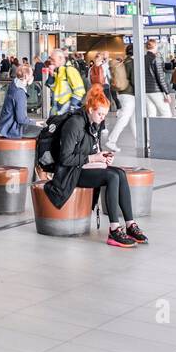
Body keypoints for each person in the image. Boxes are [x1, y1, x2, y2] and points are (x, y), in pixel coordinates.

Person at [44, 85, 148, 248]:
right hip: (70, 173)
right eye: (100, 113)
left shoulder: (94, 123)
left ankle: (130, 224)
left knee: (120, 173)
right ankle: (114, 229)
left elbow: (93, 149)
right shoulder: (74, 124)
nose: (102, 118)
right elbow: (65, 158)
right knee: (112, 177)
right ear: (90, 109)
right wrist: (93, 158)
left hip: (83, 167)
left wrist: (103, 157)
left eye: (104, 115)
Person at [104, 46, 135, 152]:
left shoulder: (124, 62)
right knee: (124, 119)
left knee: (133, 120)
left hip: (122, 93)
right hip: (129, 94)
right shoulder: (131, 63)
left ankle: (141, 142)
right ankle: (111, 141)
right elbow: (134, 80)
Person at [0, 63, 39, 139]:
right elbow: (21, 119)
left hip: (6, 126)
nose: (33, 77)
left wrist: (31, 121)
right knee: (43, 132)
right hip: (12, 129)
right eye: (31, 75)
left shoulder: (14, 84)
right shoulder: (19, 92)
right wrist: (35, 123)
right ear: (26, 76)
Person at [48, 48, 85, 115]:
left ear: (60, 59)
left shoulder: (70, 70)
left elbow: (80, 90)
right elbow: (53, 88)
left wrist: (71, 106)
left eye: (53, 60)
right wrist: (51, 75)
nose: (51, 62)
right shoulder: (58, 71)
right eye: (51, 59)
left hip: (66, 108)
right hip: (58, 106)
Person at [143, 39, 174, 117]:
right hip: (156, 90)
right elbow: (160, 78)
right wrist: (167, 93)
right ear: (155, 46)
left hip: (146, 91)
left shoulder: (143, 59)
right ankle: (166, 129)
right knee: (166, 114)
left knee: (151, 115)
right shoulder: (156, 58)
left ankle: (151, 129)